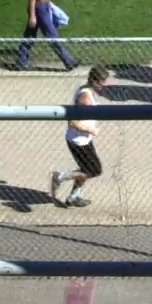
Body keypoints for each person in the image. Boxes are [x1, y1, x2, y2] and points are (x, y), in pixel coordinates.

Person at [50, 64, 114, 208]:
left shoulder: (86, 90)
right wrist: (91, 130)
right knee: (95, 170)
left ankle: (74, 197)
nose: (104, 86)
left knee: (85, 169)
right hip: (78, 141)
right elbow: (72, 122)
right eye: (102, 82)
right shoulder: (85, 97)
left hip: (83, 139)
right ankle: (60, 176)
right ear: (95, 81)